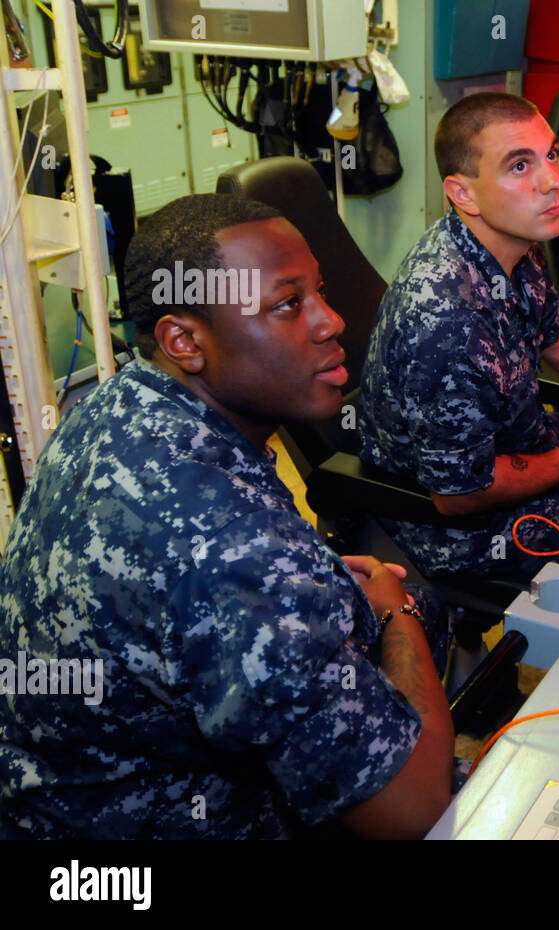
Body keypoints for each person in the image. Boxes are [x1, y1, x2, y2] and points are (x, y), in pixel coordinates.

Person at [0, 194, 454, 839]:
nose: (331, 321)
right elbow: (415, 814)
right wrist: (393, 612)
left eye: (319, 293)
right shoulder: (230, 544)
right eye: (287, 305)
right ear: (184, 340)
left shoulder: (118, 402)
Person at [359, 92, 559, 579]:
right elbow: (458, 494)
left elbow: (557, 336)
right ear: (464, 194)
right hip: (454, 524)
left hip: (517, 441)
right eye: (520, 167)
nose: (553, 181)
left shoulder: (514, 243)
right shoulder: (445, 320)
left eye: (549, 154)